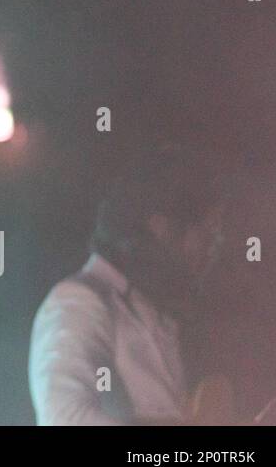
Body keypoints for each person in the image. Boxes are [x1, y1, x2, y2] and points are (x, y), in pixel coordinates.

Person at [28, 146, 226, 424]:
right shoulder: (77, 301)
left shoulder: (152, 311)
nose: (214, 247)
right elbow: (64, 418)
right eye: (209, 230)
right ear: (163, 229)